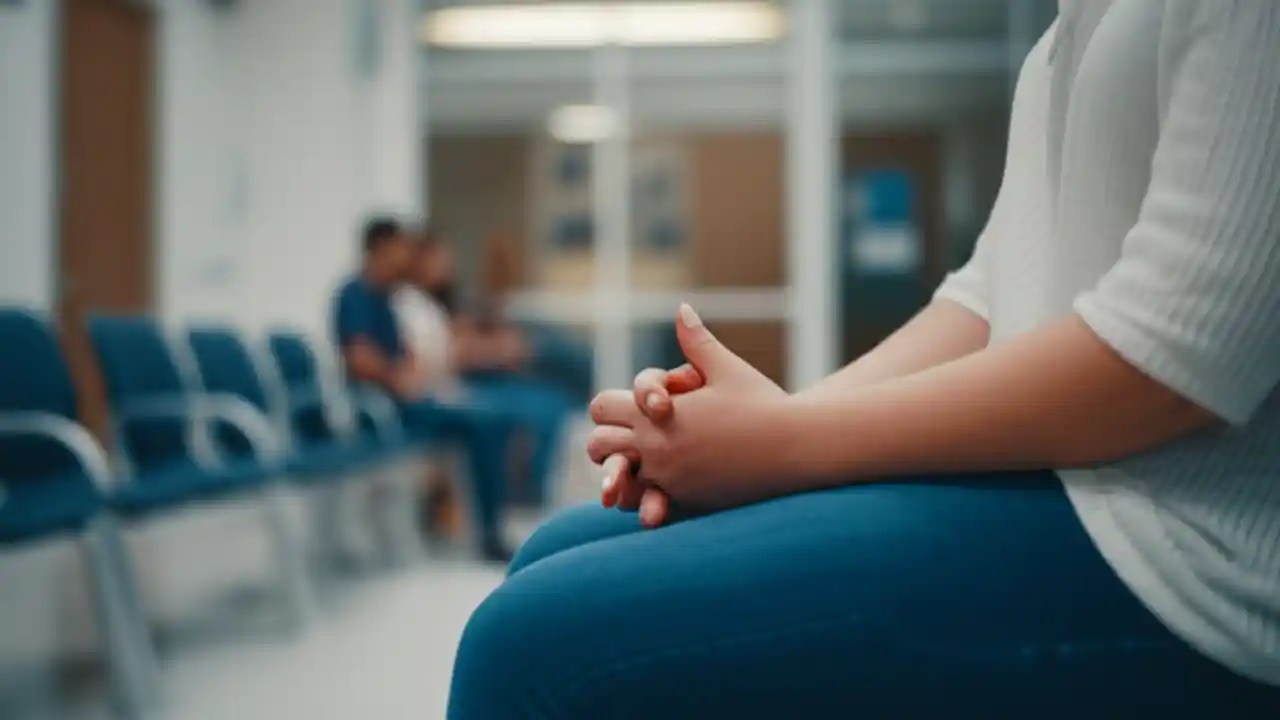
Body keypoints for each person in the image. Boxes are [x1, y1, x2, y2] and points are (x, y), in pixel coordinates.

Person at [449, 3, 1280, 717]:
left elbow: (1174, 354)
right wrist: (773, 428)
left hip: (1192, 563)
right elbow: (987, 297)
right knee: (559, 550)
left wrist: (785, 445)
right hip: (1078, 491)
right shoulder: (1068, 28)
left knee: (524, 647)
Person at [331, 217, 516, 561]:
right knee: (483, 422)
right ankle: (487, 533)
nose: (405, 258)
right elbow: (359, 358)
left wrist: (416, 371)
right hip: (381, 408)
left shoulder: (387, 299)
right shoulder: (354, 294)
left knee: (491, 417)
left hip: (409, 400)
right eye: (399, 249)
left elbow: (406, 354)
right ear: (379, 249)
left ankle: (483, 526)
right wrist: (397, 376)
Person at [395, 229, 573, 506]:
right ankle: (513, 502)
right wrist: (489, 351)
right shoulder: (410, 305)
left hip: (477, 381)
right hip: (465, 386)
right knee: (500, 418)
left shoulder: (449, 299)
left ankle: (530, 496)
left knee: (553, 402)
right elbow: (450, 357)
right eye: (439, 259)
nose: (446, 266)